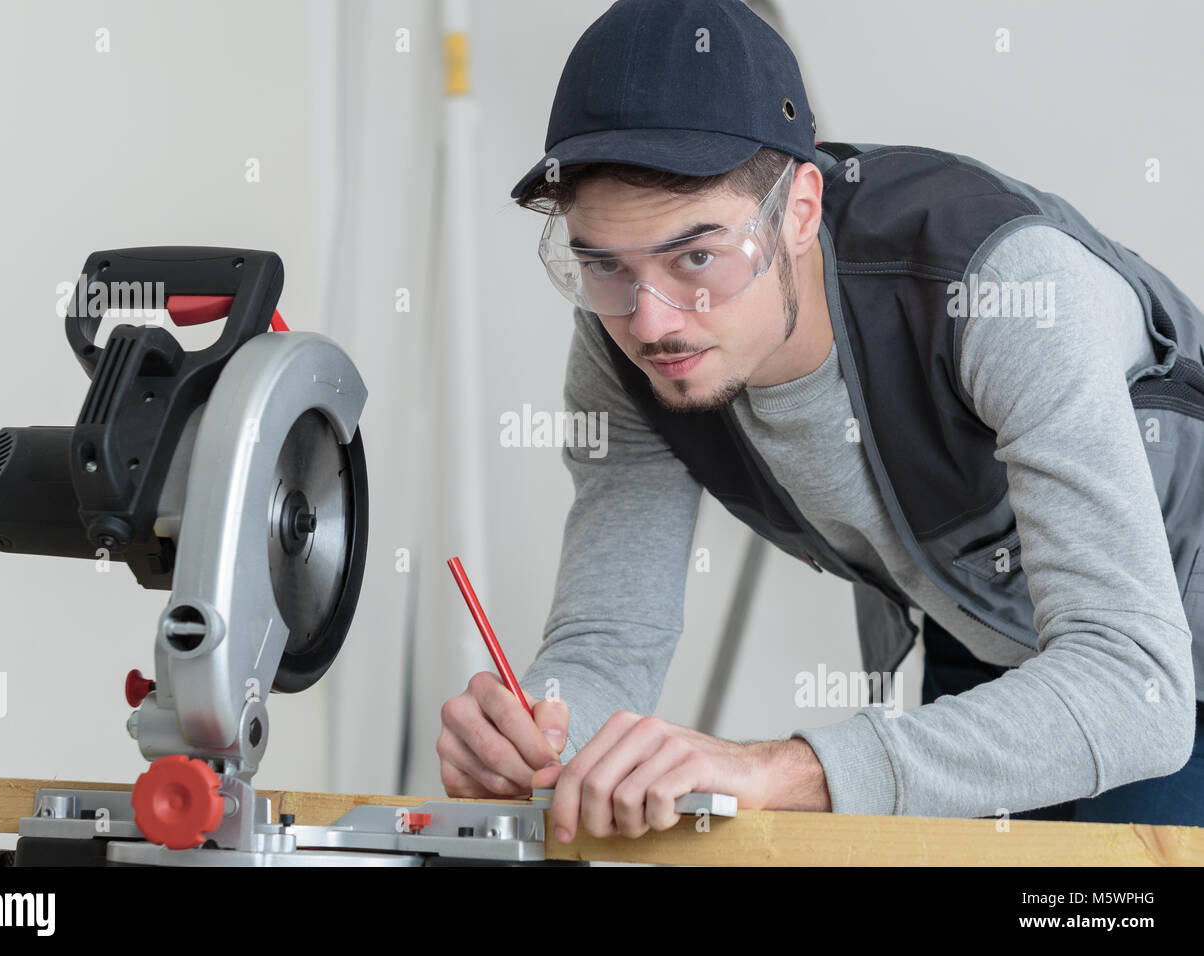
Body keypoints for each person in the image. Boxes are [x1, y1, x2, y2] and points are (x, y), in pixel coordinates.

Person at [436, 0, 1204, 843]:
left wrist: (776, 769)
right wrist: (539, 734)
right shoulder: (625, 342)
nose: (652, 322)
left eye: (697, 256)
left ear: (800, 209)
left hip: (1163, 651)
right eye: (605, 265)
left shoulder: (1006, 290)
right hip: (985, 634)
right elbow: (608, 641)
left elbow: (1138, 693)